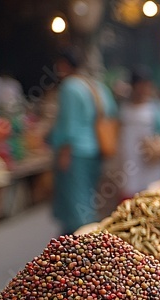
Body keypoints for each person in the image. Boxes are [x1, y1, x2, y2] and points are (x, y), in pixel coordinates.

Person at [48, 48, 116, 234]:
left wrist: (64, 152)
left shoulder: (69, 87)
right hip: (95, 149)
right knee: (88, 197)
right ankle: (87, 235)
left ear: (64, 66)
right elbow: (111, 112)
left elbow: (69, 125)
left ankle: (81, 241)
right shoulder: (96, 86)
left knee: (76, 200)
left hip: (75, 151)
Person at [118, 68, 160, 198]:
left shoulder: (157, 109)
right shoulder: (124, 109)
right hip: (128, 161)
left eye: (146, 86)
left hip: (150, 164)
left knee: (150, 193)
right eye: (139, 86)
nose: (143, 90)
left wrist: (155, 146)